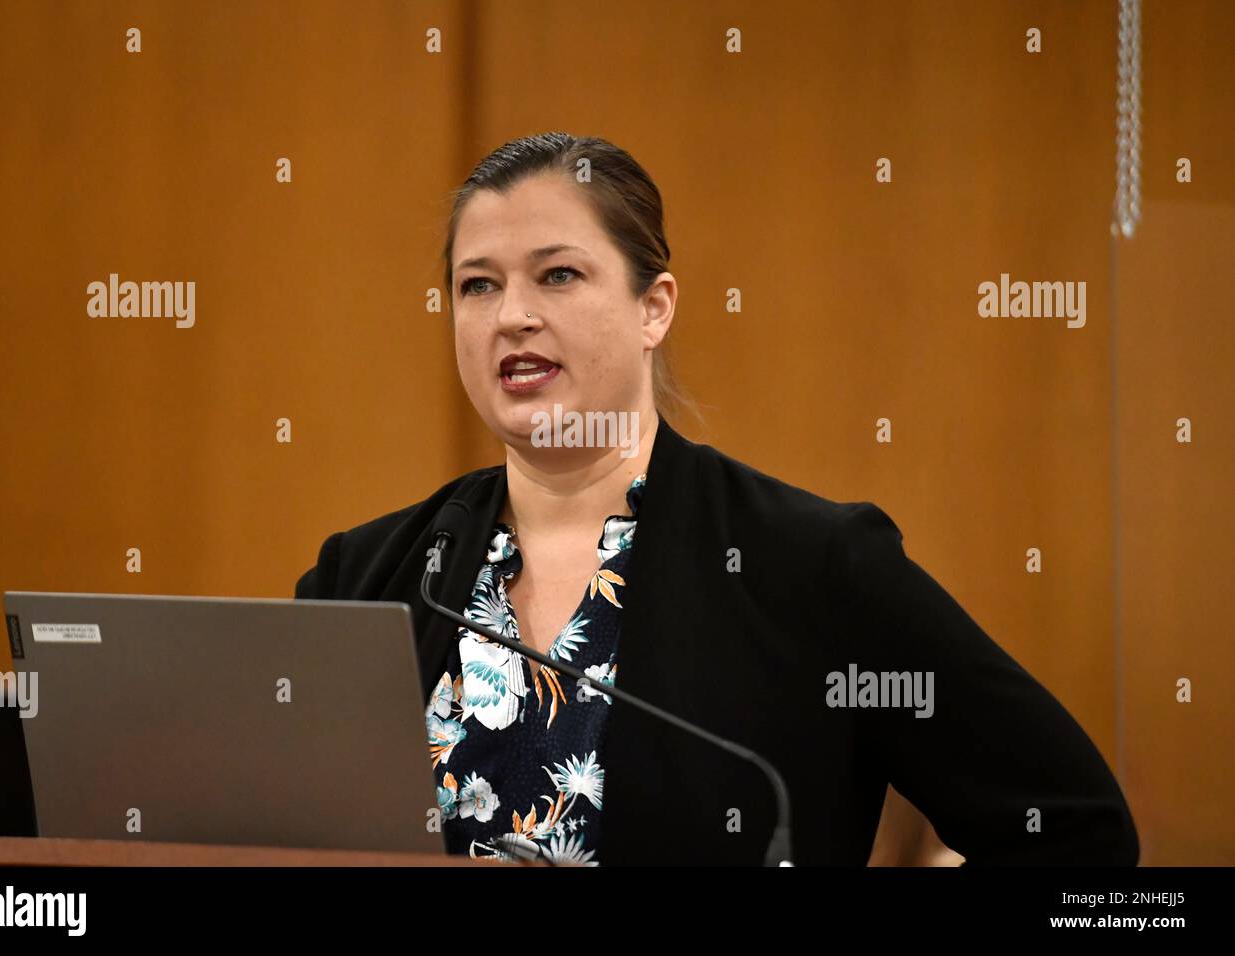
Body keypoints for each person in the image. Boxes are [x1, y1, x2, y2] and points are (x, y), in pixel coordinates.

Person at [295, 131, 1138, 867]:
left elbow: (1072, 832)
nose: (512, 315)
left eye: (557, 275)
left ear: (653, 307)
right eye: (478, 285)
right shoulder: (365, 575)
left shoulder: (811, 568)